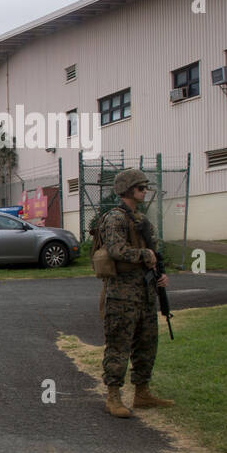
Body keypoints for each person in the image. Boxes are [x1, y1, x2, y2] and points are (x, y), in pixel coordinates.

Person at [94, 169, 174, 418]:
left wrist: (160, 274)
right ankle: (113, 396)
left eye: (145, 188)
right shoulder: (115, 218)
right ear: (128, 190)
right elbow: (116, 250)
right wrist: (144, 256)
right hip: (122, 295)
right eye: (141, 188)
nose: (144, 192)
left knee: (147, 344)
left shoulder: (142, 220)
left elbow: (155, 251)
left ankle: (142, 392)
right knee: (118, 346)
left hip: (146, 293)